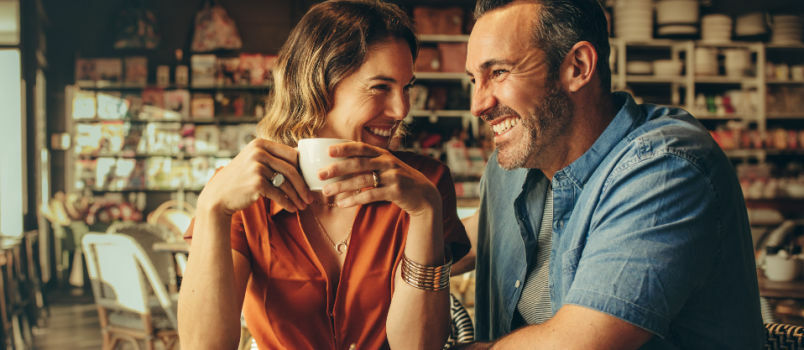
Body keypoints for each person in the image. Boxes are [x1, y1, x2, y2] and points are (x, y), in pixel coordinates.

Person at [456, 0, 764, 348]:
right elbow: (473, 237)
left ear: (578, 66)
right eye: (473, 79)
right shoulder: (519, 164)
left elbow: (578, 343)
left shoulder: (664, 168)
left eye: (498, 72)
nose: (477, 105)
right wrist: (417, 213)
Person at [177, 1, 469, 349]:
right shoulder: (245, 192)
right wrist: (211, 206)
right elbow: (203, 346)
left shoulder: (425, 185)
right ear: (318, 84)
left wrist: (425, 212)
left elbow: (418, 346)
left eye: (406, 88)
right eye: (380, 87)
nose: (401, 110)